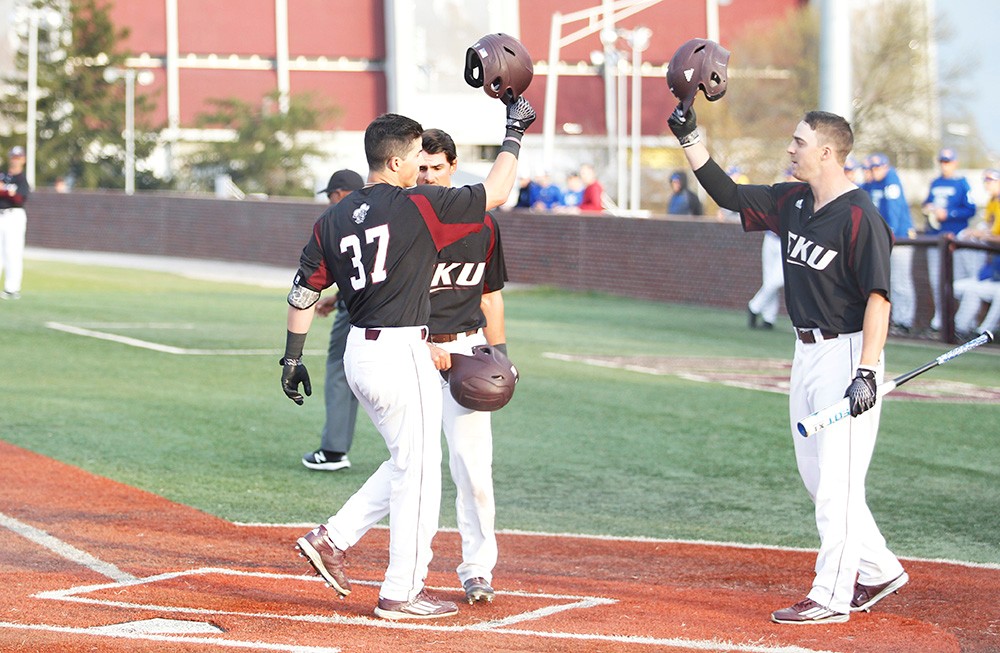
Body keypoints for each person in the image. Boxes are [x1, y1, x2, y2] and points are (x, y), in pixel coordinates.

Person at [281, 98, 535, 620]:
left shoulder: (331, 217)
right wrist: (513, 131)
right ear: (395, 162)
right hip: (402, 350)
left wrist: (291, 358)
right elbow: (501, 190)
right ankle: (402, 591)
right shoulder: (419, 204)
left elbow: (302, 293)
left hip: (359, 351)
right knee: (420, 471)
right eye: (417, 156)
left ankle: (332, 538)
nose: (422, 166)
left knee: (407, 459)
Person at [668, 103, 907, 624]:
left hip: (847, 354)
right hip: (805, 352)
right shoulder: (793, 200)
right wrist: (689, 136)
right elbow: (728, 195)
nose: (790, 149)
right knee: (818, 477)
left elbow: (879, 300)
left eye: (799, 142)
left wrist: (866, 370)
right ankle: (880, 567)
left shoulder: (861, 216)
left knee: (839, 486)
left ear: (826, 152)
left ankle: (831, 595)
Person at [418, 127, 508, 604]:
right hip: (414, 350)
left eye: (436, 167)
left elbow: (490, 296)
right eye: (422, 168)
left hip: (469, 352)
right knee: (417, 466)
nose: (428, 176)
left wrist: (502, 353)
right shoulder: (409, 222)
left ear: (453, 167)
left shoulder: (485, 225)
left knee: (474, 469)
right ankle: (413, 566)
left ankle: (477, 568)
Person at [301, 169, 366, 471]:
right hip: (394, 309)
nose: (329, 202)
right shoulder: (382, 213)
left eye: (330, 196)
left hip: (356, 311)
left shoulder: (339, 219)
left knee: (341, 371)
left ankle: (333, 450)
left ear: (340, 194)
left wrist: (340, 299)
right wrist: (337, 297)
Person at [921, 148, 977, 333]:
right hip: (935, 236)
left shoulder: (962, 183)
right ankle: (940, 318)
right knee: (936, 280)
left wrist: (950, 214)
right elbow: (926, 203)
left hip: (955, 240)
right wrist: (928, 208)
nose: (945, 165)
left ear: (955, 163)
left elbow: (970, 210)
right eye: (942, 161)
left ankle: (960, 321)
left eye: (948, 161)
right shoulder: (936, 182)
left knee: (958, 281)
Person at [866, 153, 916, 335]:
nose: (874, 171)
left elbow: (893, 211)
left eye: (878, 167)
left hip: (899, 238)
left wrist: (890, 233)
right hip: (884, 239)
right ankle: (896, 320)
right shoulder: (871, 184)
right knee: (888, 282)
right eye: (872, 168)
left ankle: (905, 321)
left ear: (886, 166)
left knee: (901, 281)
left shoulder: (891, 179)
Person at [0, 146, 29, 300]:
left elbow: (19, 198)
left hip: (14, 216)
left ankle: (12, 288)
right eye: (13, 157)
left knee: (12, 252)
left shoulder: (22, 179)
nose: (15, 160)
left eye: (18, 157)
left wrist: (5, 192)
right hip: (0, 215)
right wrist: (7, 192)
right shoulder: (3, 175)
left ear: (23, 159)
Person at [747, 230, 784, 330]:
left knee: (777, 280)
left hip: (788, 239)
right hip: (770, 236)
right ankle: (769, 318)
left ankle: (754, 306)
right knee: (768, 279)